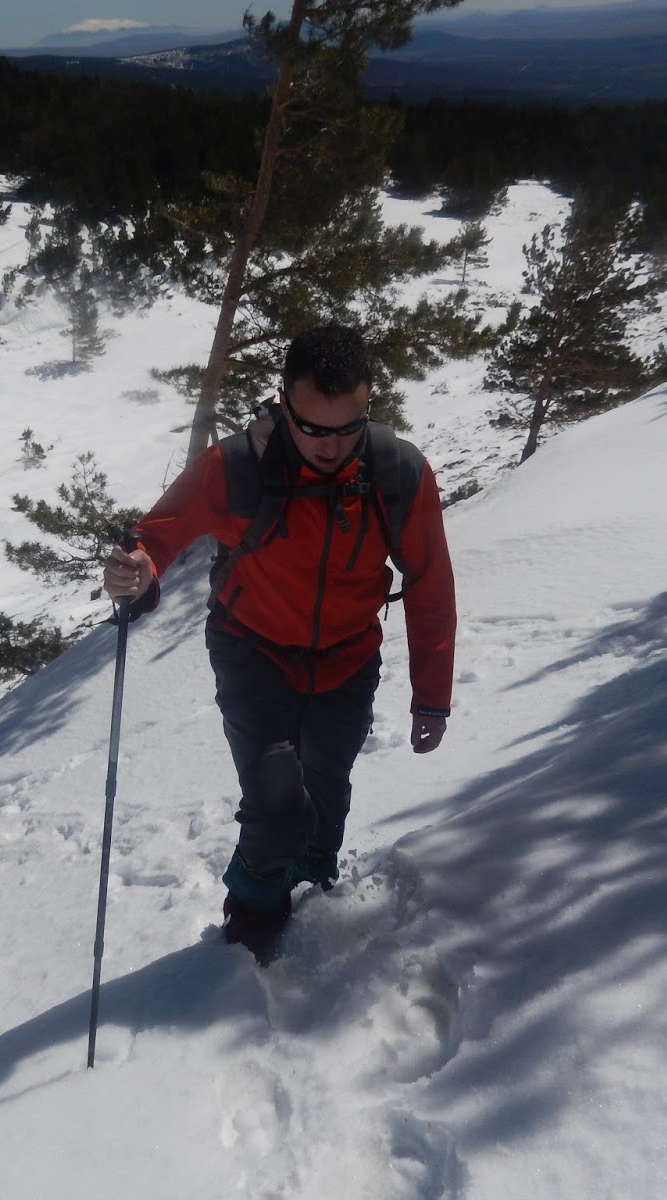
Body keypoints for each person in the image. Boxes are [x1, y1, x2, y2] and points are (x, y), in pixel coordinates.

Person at [103, 325, 457, 961]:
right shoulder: (240, 467)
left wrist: (432, 697)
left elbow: (431, 586)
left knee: (328, 783)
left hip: (348, 656)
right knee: (274, 796)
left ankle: (312, 885)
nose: (329, 445)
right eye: (312, 427)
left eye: (347, 426)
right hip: (252, 650)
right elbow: (159, 534)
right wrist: (140, 570)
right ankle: (253, 922)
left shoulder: (396, 473)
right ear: (283, 404)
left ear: (368, 403)